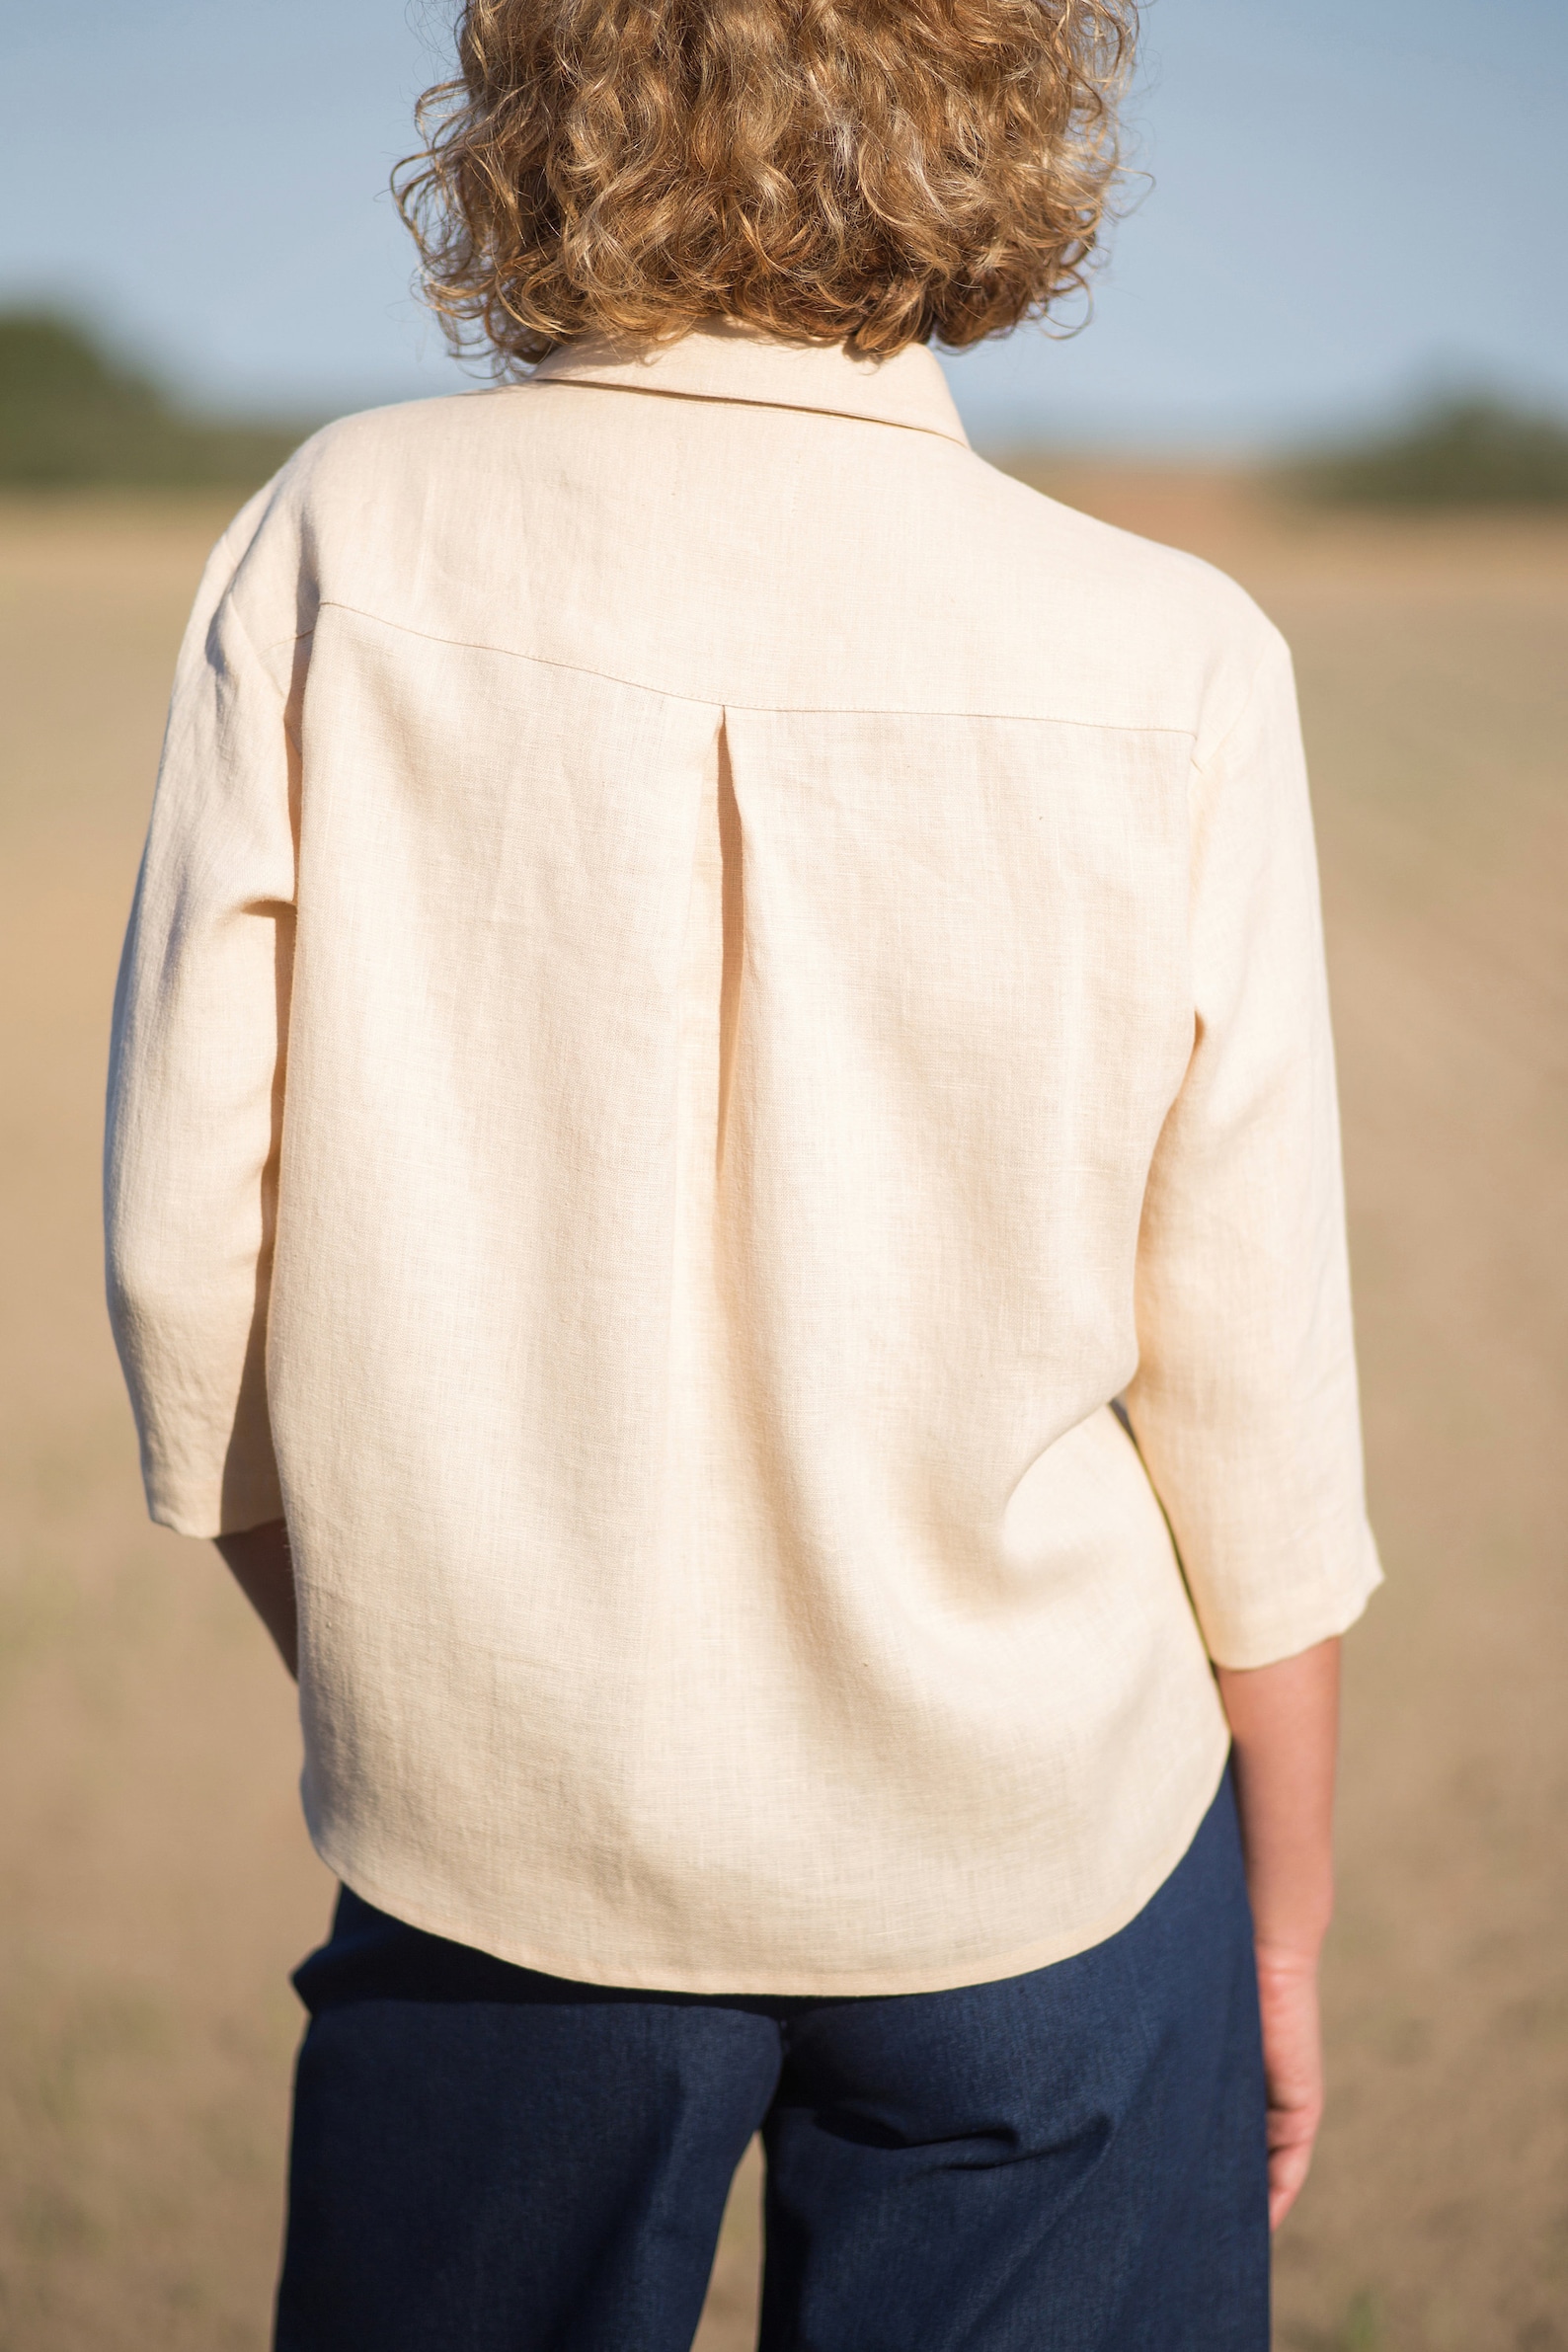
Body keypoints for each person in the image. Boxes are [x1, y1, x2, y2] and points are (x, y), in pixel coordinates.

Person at [104, 1, 1381, 2344]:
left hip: (492, 1857)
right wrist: (1276, 1936)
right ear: (1004, 119)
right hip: (1053, 1870)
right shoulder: (1172, 651)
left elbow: (191, 1263)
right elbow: (1254, 1396)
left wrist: (417, 1683)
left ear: (533, 110)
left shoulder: (335, 531)